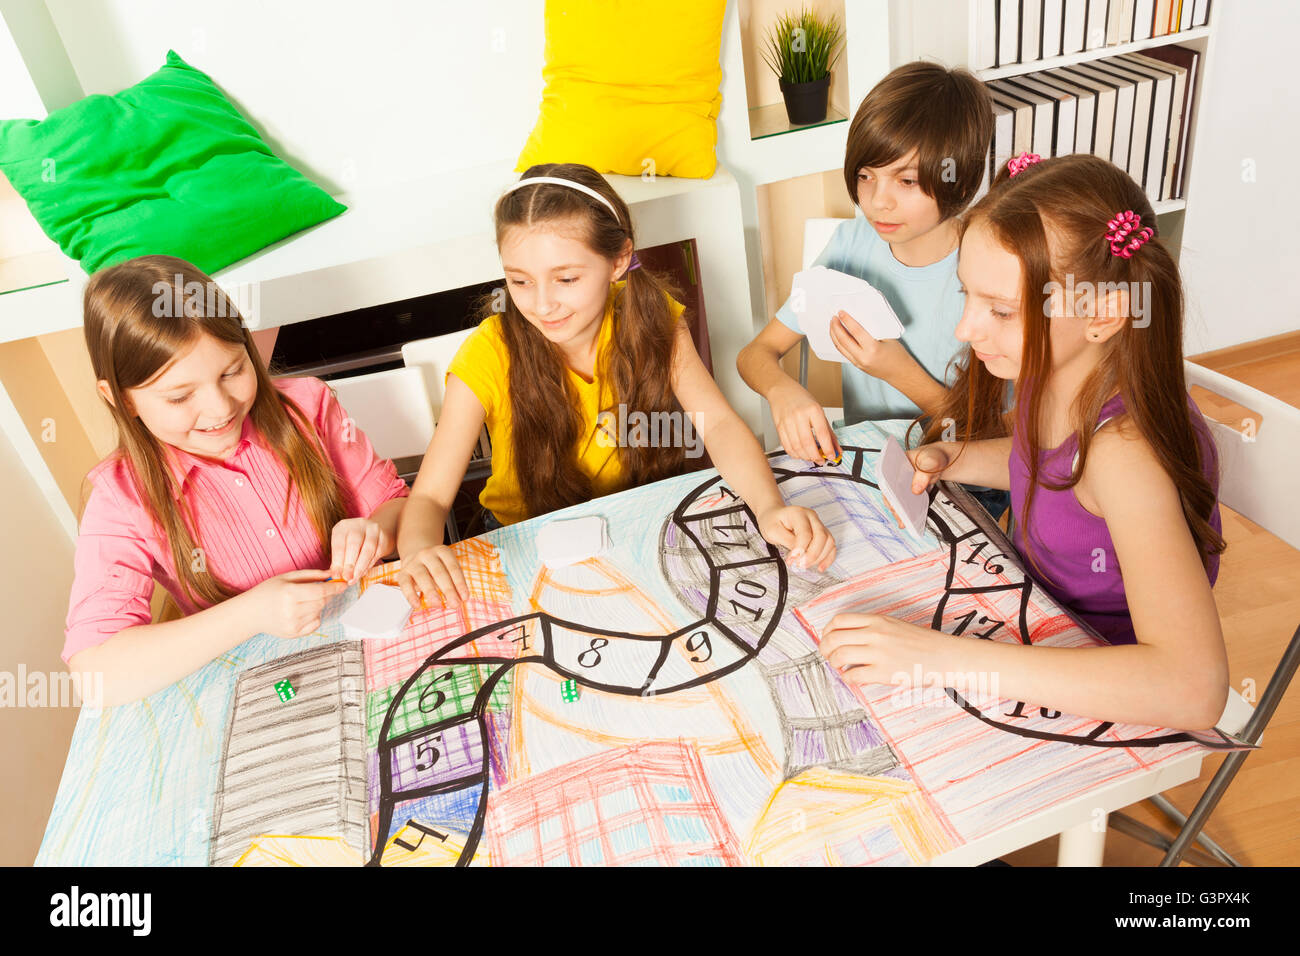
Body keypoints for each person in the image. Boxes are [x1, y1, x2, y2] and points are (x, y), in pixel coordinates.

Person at [820, 154, 1229, 731]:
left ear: (1103, 314)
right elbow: (1045, 464)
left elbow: (1194, 690)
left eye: (1001, 310)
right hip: (1033, 617)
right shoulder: (1052, 371)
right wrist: (953, 458)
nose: (966, 328)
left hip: (1103, 687)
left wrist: (936, 659)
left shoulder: (1125, 456)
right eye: (967, 295)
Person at [396, 164, 836, 610]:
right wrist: (419, 550)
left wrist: (768, 508)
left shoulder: (654, 317)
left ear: (619, 259)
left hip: (634, 522)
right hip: (525, 543)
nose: (542, 303)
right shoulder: (488, 352)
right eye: (520, 281)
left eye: (566, 279)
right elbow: (430, 496)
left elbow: (717, 423)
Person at [64, 256, 409, 705]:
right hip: (266, 691)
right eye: (180, 396)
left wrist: (377, 530)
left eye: (231, 371)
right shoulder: (120, 499)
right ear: (121, 400)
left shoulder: (308, 406)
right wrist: (250, 613)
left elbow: (400, 505)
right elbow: (95, 673)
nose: (220, 407)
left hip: (381, 648)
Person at [737, 60, 995, 466]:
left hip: (960, 473)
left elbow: (997, 434)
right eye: (866, 175)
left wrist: (895, 370)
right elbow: (756, 353)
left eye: (906, 181)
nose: (878, 201)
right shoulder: (851, 245)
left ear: (959, 180)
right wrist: (782, 390)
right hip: (868, 464)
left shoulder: (991, 271)